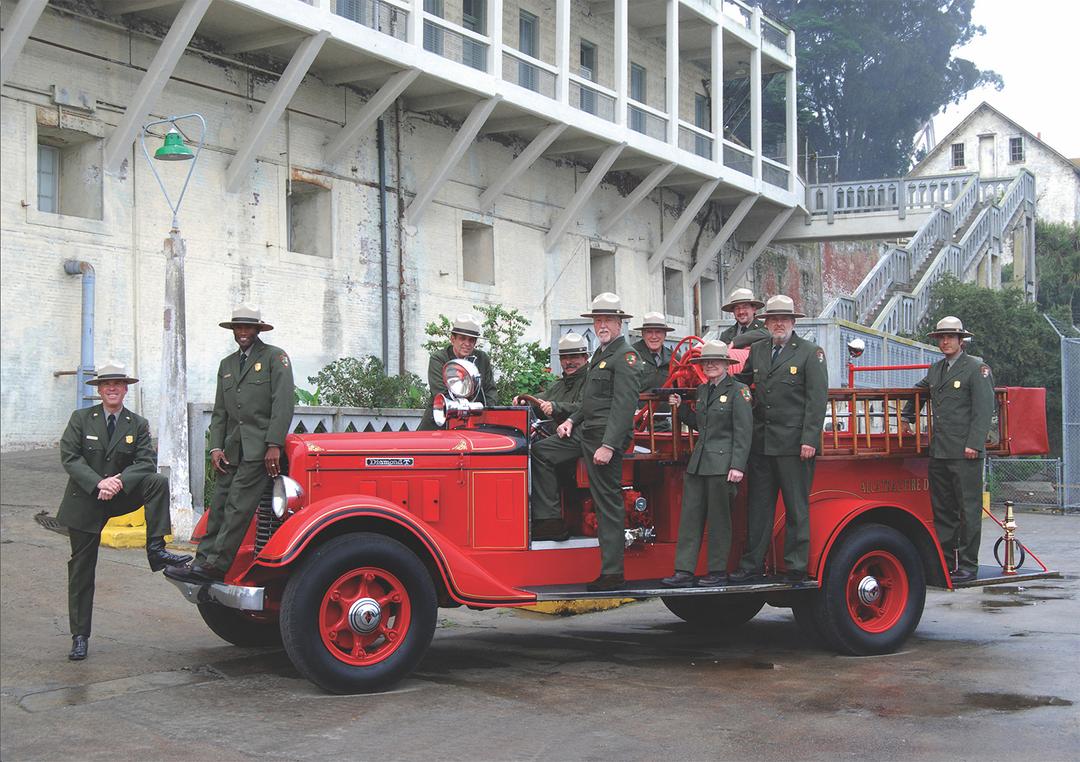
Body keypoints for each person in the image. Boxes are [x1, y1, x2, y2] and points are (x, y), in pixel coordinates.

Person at [58, 361, 191, 661]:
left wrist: (117, 482)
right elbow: (70, 457)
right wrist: (98, 483)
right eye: (107, 385)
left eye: (118, 384)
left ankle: (156, 548)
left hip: (119, 494)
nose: (113, 388)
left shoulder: (137, 423)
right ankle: (80, 636)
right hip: (86, 498)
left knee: (157, 482)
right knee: (81, 569)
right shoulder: (81, 419)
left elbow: (145, 462)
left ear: (126, 389)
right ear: (100, 390)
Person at [171, 305, 294, 582]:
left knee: (238, 507)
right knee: (220, 505)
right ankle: (201, 561)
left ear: (257, 330)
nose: (242, 333)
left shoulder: (275, 358)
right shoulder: (227, 364)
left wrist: (274, 443)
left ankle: (216, 565)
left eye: (248, 328)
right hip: (231, 449)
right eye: (238, 328)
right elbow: (220, 412)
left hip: (260, 448)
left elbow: (283, 403)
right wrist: (215, 447)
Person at [529, 293, 642, 591]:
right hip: (587, 434)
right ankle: (550, 521)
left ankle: (613, 574)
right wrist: (570, 421)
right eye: (598, 320)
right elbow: (590, 402)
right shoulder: (602, 356)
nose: (602, 325)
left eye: (608, 320)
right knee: (542, 452)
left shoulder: (625, 356)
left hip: (604, 440)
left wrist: (609, 446)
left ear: (619, 322)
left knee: (607, 505)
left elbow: (623, 406)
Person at [731, 295, 828, 584]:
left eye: (784, 319)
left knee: (796, 506)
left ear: (793, 322)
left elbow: (816, 399)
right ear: (766, 323)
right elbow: (743, 382)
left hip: (794, 444)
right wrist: (713, 383)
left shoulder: (810, 352)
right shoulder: (759, 349)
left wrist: (809, 439)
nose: (778, 324)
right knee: (759, 507)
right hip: (762, 443)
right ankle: (751, 564)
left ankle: (796, 566)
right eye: (773, 319)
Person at [902, 316, 995, 583]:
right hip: (941, 450)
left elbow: (983, 410)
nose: (945, 342)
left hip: (965, 452)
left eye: (950, 337)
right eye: (941, 338)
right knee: (943, 509)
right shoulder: (937, 369)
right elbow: (919, 391)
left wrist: (974, 445)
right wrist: (908, 417)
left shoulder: (976, 368)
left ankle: (967, 564)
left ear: (961, 340)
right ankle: (945, 560)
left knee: (968, 509)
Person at [662, 341, 752, 588]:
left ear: (726, 364)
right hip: (699, 463)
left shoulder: (739, 391)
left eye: (715, 361)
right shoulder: (703, 391)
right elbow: (699, 424)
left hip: (723, 465)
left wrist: (737, 466)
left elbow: (743, 432)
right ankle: (684, 570)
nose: (710, 365)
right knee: (690, 518)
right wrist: (680, 409)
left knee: (719, 520)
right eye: (706, 362)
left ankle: (717, 570)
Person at [418, 314, 498, 430]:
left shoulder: (482, 358)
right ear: (452, 339)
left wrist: (485, 411)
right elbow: (440, 392)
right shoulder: (439, 358)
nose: (467, 343)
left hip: (475, 423)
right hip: (440, 422)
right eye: (462, 338)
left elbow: (490, 390)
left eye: (472, 340)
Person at [514, 332, 589, 427]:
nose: (568, 362)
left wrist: (555, 407)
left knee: (538, 442)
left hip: (579, 434)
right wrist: (524, 400)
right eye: (563, 357)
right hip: (556, 433)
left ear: (585, 358)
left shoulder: (591, 380)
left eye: (573, 357)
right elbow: (543, 397)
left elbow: (584, 407)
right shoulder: (560, 385)